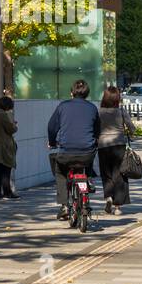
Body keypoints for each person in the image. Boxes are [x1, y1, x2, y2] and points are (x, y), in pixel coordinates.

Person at [47, 79, 101, 218]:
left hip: (66, 152)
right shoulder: (92, 108)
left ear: (71, 93)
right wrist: (94, 141)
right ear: (87, 94)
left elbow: (52, 127)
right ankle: (88, 179)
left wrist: (52, 142)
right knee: (87, 161)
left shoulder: (62, 106)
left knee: (60, 172)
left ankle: (64, 205)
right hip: (87, 153)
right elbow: (97, 130)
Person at [97, 85, 136, 215]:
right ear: (117, 98)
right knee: (119, 175)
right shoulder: (121, 111)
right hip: (119, 146)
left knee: (106, 173)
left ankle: (108, 197)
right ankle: (118, 206)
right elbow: (131, 127)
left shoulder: (99, 112)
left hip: (103, 146)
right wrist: (131, 133)